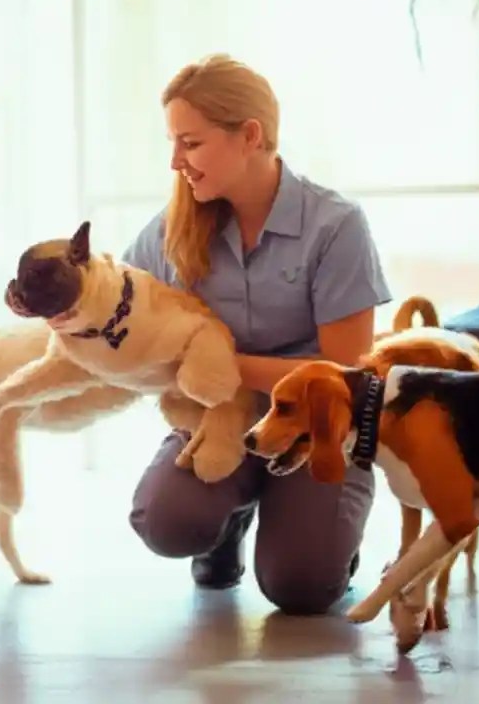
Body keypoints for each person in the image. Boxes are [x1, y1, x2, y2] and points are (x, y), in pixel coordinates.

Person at [121, 53, 391, 615]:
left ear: (249, 135)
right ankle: (228, 522)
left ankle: (319, 535)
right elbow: (122, 311)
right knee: (165, 523)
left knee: (302, 587)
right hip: (220, 418)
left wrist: (220, 365)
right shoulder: (172, 228)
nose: (176, 161)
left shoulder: (335, 225)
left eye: (189, 143)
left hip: (316, 424)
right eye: (173, 144)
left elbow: (347, 372)